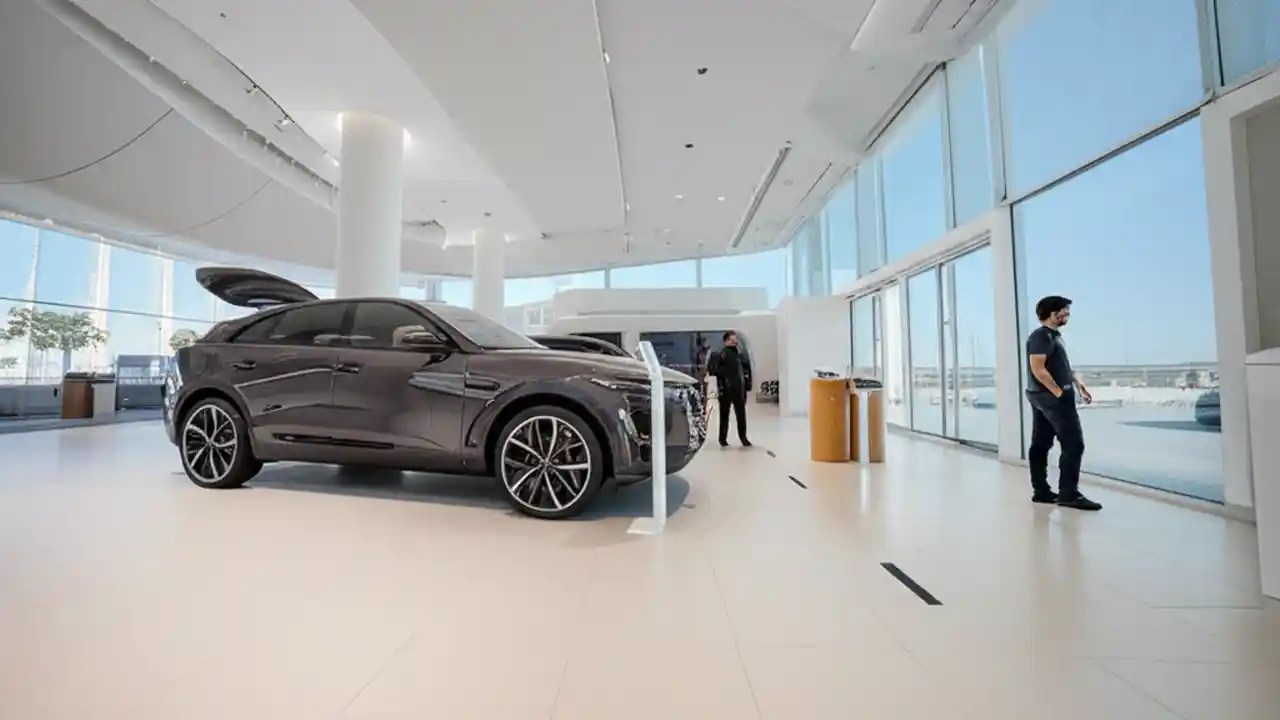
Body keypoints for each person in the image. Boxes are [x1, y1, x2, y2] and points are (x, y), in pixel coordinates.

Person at [1025, 296, 1102, 511]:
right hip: (1051, 399)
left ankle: (1041, 492)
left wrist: (1078, 384)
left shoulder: (1054, 337)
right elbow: (1038, 369)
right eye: (1064, 311)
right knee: (1074, 444)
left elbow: (1061, 367)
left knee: (1041, 443)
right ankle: (1068, 494)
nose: (1067, 315)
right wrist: (1059, 393)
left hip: (1044, 396)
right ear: (1052, 313)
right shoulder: (1041, 337)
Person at [707, 331, 752, 448]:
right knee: (724, 415)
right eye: (732, 340)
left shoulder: (739, 355)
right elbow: (715, 371)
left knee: (741, 415)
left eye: (735, 339)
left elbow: (744, 371)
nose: (735, 342)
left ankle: (743, 437)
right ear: (726, 341)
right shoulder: (722, 354)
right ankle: (723, 438)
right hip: (726, 389)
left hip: (738, 388)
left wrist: (746, 385)